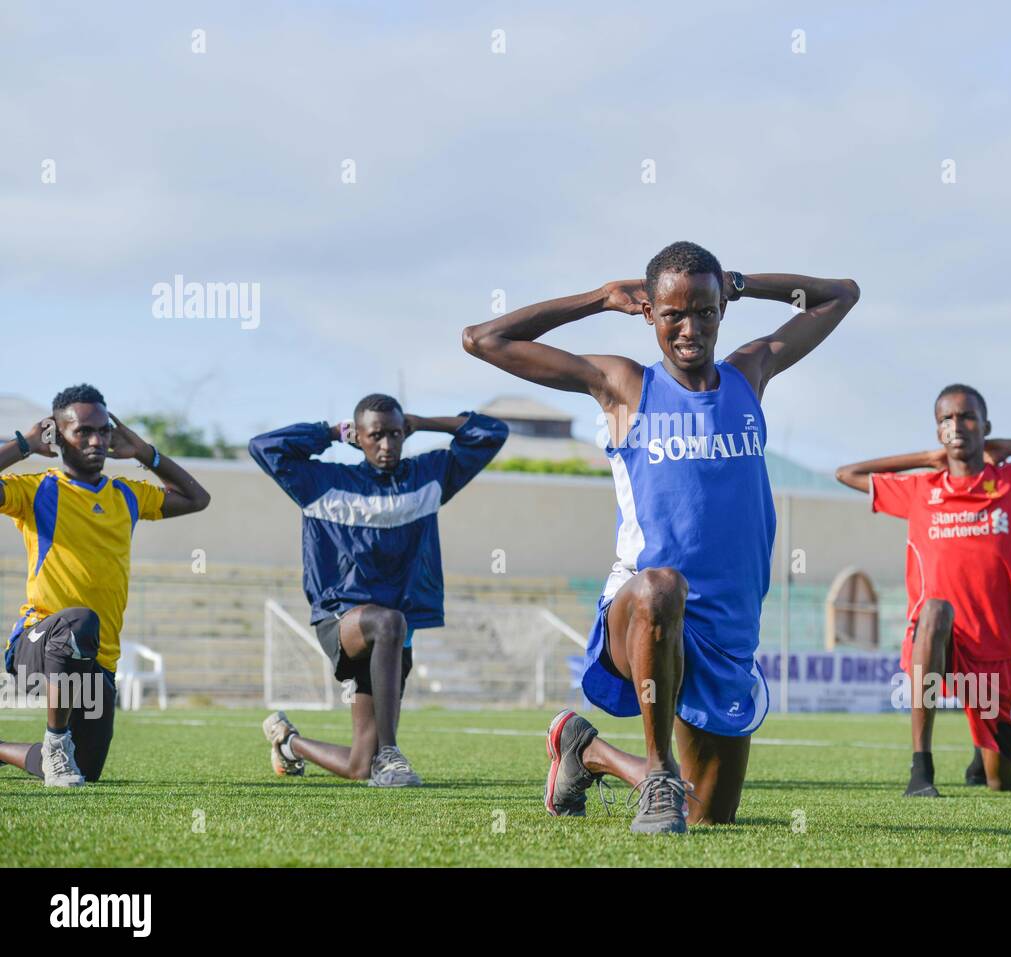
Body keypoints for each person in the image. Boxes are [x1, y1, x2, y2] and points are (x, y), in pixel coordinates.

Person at [463, 240, 860, 832]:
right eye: (673, 312)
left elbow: (839, 295)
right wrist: (599, 298)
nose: (690, 326)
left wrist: (742, 280)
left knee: (711, 818)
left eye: (705, 309)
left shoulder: (749, 375)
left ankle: (585, 750)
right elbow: (483, 339)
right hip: (644, 612)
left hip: (728, 628)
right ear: (649, 312)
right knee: (661, 587)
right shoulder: (625, 387)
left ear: (722, 308)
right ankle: (657, 771)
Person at [836, 383, 1011, 795]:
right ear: (937, 432)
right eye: (945, 419)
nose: (956, 425)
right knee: (934, 612)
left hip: (997, 649)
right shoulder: (920, 490)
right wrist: (927, 459)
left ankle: (983, 752)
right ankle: (921, 769)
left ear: (985, 425)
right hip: (941, 643)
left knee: (1002, 785)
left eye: (966, 416)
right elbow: (847, 474)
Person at [249, 395, 507, 787]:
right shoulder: (321, 482)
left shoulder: (429, 477)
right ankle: (392, 753)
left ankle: (290, 744)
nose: (387, 445)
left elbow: (492, 433)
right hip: (342, 621)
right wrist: (330, 433)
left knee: (358, 765)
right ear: (359, 437)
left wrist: (424, 421)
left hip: (394, 637)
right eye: (376, 435)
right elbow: (263, 447)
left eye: (395, 434)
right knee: (388, 621)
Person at [0, 384, 211, 786]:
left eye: (104, 431)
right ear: (57, 436)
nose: (96, 440)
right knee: (79, 622)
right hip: (36, 649)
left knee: (88, 769)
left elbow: (197, 498)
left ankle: (35, 752)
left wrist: (146, 453)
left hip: (97, 661)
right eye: (83, 432)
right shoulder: (36, 489)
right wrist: (23, 445)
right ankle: (56, 743)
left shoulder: (126, 495)